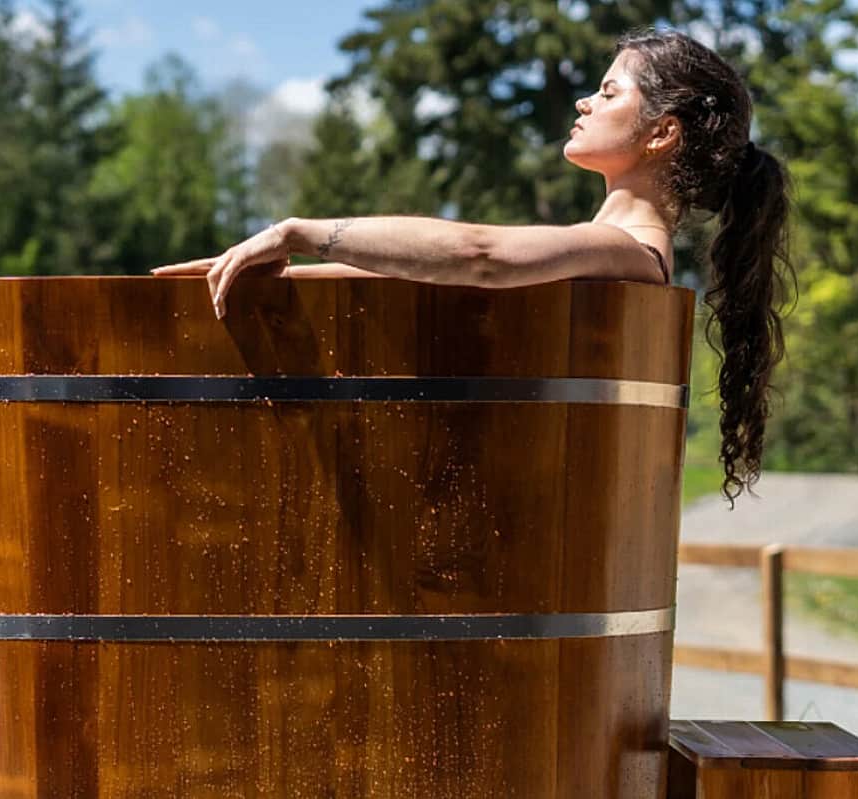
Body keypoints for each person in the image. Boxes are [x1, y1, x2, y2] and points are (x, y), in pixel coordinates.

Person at [151, 27, 795, 506]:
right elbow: (425, 272)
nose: (584, 103)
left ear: (662, 133)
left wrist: (299, 233)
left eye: (608, 91)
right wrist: (276, 276)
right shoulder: (605, 249)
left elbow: (478, 256)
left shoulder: (631, 252)